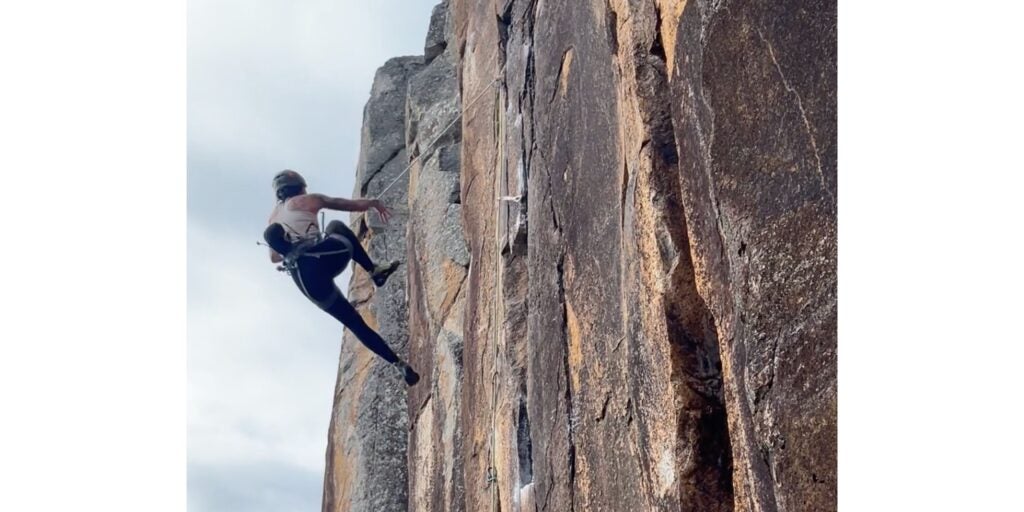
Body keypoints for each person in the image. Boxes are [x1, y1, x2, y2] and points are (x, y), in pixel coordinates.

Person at [263, 169, 420, 386]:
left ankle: (399, 365)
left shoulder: (273, 217)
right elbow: (342, 203)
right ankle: (374, 271)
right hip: (321, 259)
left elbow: (273, 257)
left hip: (306, 283)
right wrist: (373, 202)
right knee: (335, 227)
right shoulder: (306, 200)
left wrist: (292, 245)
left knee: (355, 323)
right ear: (299, 186)